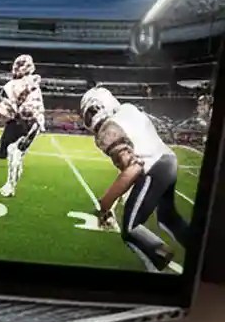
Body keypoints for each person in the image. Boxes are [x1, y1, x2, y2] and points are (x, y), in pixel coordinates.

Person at [80, 87, 190, 273]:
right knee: (168, 218)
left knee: (131, 228)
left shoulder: (108, 130)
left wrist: (105, 204)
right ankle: (200, 249)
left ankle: (159, 259)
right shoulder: (129, 109)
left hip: (152, 168)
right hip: (168, 160)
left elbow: (134, 167)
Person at [0, 54, 45, 198]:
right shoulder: (21, 85)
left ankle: (11, 185)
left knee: (14, 151)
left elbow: (14, 109)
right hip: (25, 122)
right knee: (5, 152)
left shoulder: (20, 85)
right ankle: (15, 171)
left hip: (29, 123)